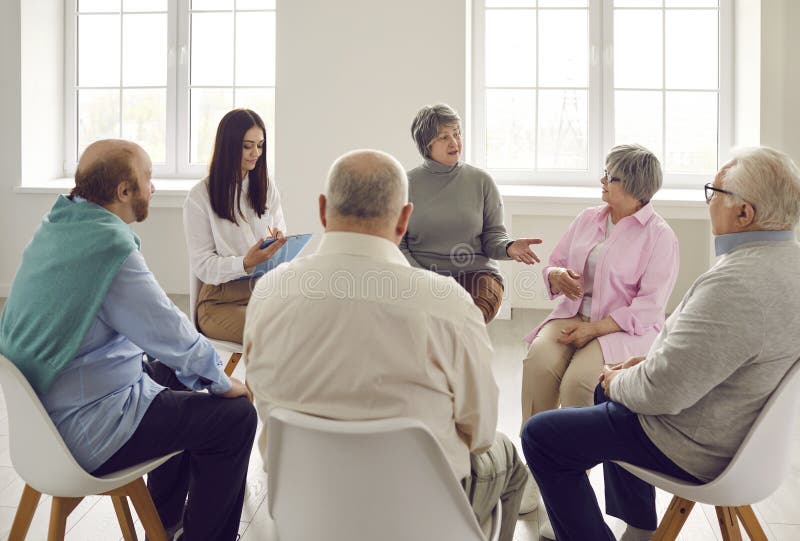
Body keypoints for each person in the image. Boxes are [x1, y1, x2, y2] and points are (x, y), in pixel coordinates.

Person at [244, 149, 527, 541]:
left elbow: (262, 399)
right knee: (509, 459)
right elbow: (480, 433)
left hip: (307, 510)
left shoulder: (269, 293)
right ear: (405, 219)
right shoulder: (448, 305)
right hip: (422, 516)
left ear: (323, 210)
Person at [520, 146, 800, 541]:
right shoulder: (787, 266)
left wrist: (617, 380)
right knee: (597, 388)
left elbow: (660, 393)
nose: (708, 204)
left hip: (693, 441)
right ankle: (639, 526)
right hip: (740, 437)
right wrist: (637, 369)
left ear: (743, 213)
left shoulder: (733, 283)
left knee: (542, 435)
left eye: (714, 192)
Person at [0, 140, 256, 541]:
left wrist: (196, 373)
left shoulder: (59, 227)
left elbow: (161, 341)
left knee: (171, 373)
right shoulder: (109, 250)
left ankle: (167, 522)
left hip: (45, 421)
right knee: (236, 417)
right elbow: (170, 330)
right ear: (124, 191)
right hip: (87, 432)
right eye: (148, 178)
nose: (153, 188)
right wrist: (224, 382)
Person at [519, 144, 679, 535]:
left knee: (580, 383)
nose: (603, 182)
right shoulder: (589, 217)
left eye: (611, 177)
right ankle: (537, 476)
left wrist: (594, 329)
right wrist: (555, 274)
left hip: (620, 328)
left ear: (637, 187)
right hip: (573, 315)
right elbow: (555, 262)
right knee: (538, 364)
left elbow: (649, 308)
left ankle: (571, 489)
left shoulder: (660, 237)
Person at [400, 103, 542, 323]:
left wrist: (508, 247)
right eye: (444, 137)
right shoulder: (405, 185)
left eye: (457, 133)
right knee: (426, 325)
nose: (454, 142)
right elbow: (399, 245)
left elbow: (493, 237)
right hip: (423, 274)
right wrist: (423, 279)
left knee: (465, 320)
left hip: (476, 275)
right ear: (426, 144)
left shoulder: (481, 181)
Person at [183, 108, 287, 343]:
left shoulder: (266, 187)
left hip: (261, 290)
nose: (256, 153)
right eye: (247, 146)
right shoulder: (200, 197)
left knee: (307, 324)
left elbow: (280, 231)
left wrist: (278, 242)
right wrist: (245, 263)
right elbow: (203, 266)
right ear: (229, 146)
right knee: (274, 335)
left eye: (260, 145)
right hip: (219, 300)